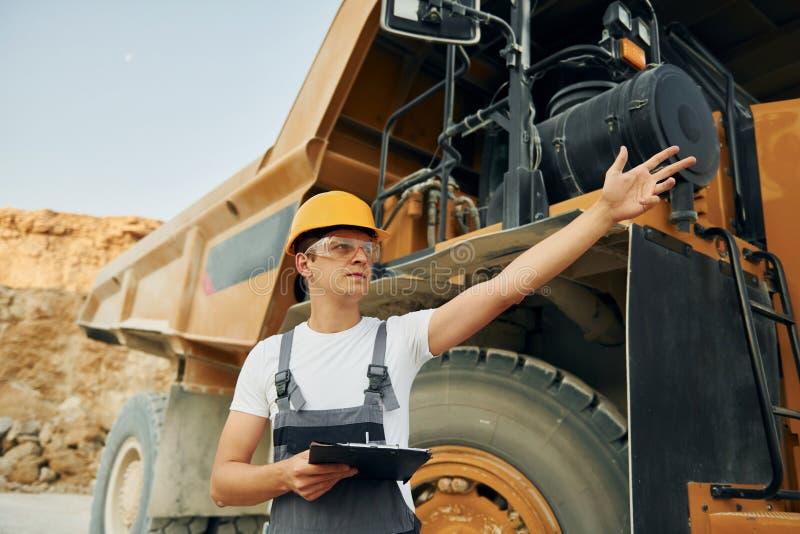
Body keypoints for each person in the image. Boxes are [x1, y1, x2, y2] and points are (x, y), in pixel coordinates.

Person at [209, 145, 696, 533]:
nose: (360, 258)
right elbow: (223, 484)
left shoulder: (399, 339)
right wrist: (282, 475)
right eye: (341, 247)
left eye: (367, 248)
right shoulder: (270, 359)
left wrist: (603, 213)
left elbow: (505, 287)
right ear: (305, 264)